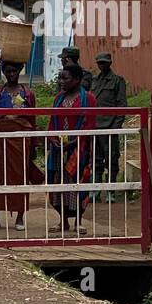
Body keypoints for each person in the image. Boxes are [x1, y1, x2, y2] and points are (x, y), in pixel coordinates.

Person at [0, 61, 41, 232]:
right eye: (8, 71)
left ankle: (20, 216)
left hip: (21, 141)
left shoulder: (27, 93)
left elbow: (32, 120)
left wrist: (33, 144)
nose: (11, 74)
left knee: (20, 176)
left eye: (14, 71)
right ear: (3, 72)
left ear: (19, 71)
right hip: (0, 138)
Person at [48, 66, 98, 233]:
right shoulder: (58, 99)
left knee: (79, 183)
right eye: (60, 78)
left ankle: (79, 221)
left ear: (77, 79)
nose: (61, 82)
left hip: (79, 149)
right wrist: (54, 140)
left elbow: (90, 125)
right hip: (59, 150)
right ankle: (63, 221)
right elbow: (51, 123)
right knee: (58, 184)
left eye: (65, 78)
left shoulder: (88, 99)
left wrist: (74, 142)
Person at [89, 52, 128, 200]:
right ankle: (96, 189)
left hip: (109, 125)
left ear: (110, 63)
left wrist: (116, 126)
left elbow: (122, 104)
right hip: (95, 126)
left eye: (105, 63)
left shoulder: (117, 81)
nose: (102, 65)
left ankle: (110, 190)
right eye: (100, 63)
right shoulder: (94, 81)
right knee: (96, 159)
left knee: (111, 158)